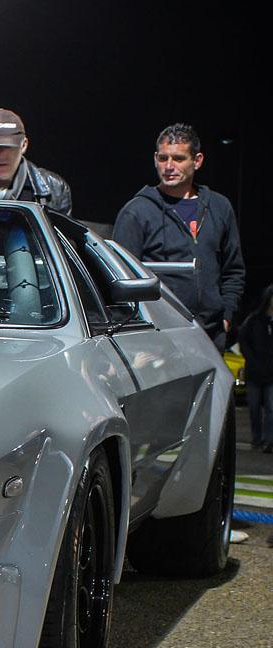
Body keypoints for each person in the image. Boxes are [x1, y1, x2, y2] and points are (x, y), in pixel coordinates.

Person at [112, 123, 244, 352]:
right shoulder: (137, 211)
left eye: (178, 158)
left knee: (217, 389)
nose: (169, 166)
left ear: (198, 160)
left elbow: (233, 270)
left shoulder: (220, 207)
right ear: (155, 159)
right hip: (161, 338)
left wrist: (227, 315)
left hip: (211, 335)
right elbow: (119, 278)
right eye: (163, 158)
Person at [239, 286, 273, 453]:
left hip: (271, 374)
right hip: (254, 372)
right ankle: (256, 438)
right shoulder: (254, 320)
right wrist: (252, 361)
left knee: (271, 408)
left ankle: (268, 441)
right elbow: (243, 342)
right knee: (254, 408)